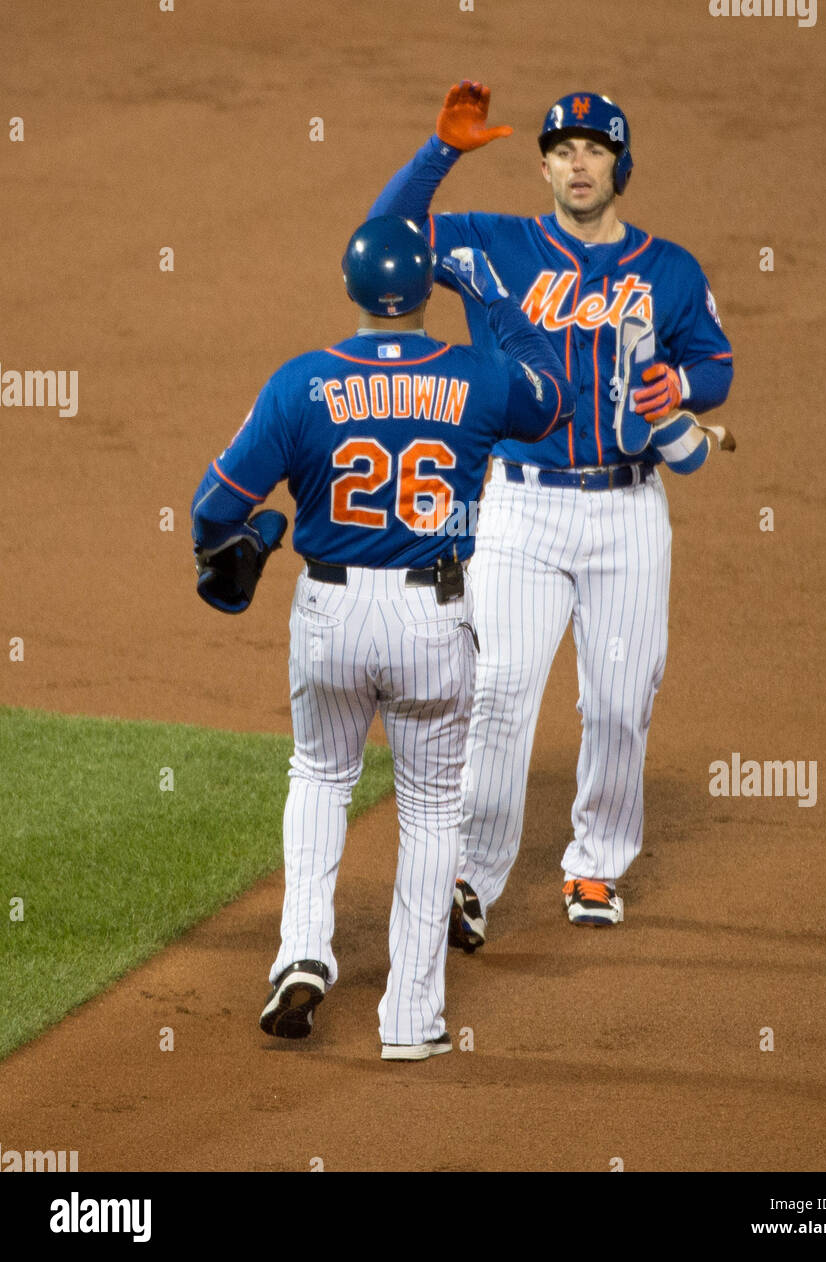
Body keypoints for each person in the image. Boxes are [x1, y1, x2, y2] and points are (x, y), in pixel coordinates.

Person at [190, 216, 573, 1058]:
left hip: (329, 614)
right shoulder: (478, 377)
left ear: (351, 287)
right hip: (431, 616)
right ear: (427, 291)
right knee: (432, 809)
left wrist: (245, 535)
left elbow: (212, 510)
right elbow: (554, 393)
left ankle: (300, 953)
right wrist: (490, 299)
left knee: (320, 775)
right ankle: (410, 1018)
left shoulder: (300, 384)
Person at [367, 82, 734, 949]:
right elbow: (385, 238)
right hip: (519, 508)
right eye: (563, 148)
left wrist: (678, 386)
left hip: (628, 508)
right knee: (493, 690)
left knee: (619, 698)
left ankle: (597, 860)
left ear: (620, 166)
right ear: (542, 164)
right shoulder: (491, 245)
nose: (579, 161)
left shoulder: (668, 269)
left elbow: (714, 365)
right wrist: (439, 153)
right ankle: (469, 875)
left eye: (595, 149)